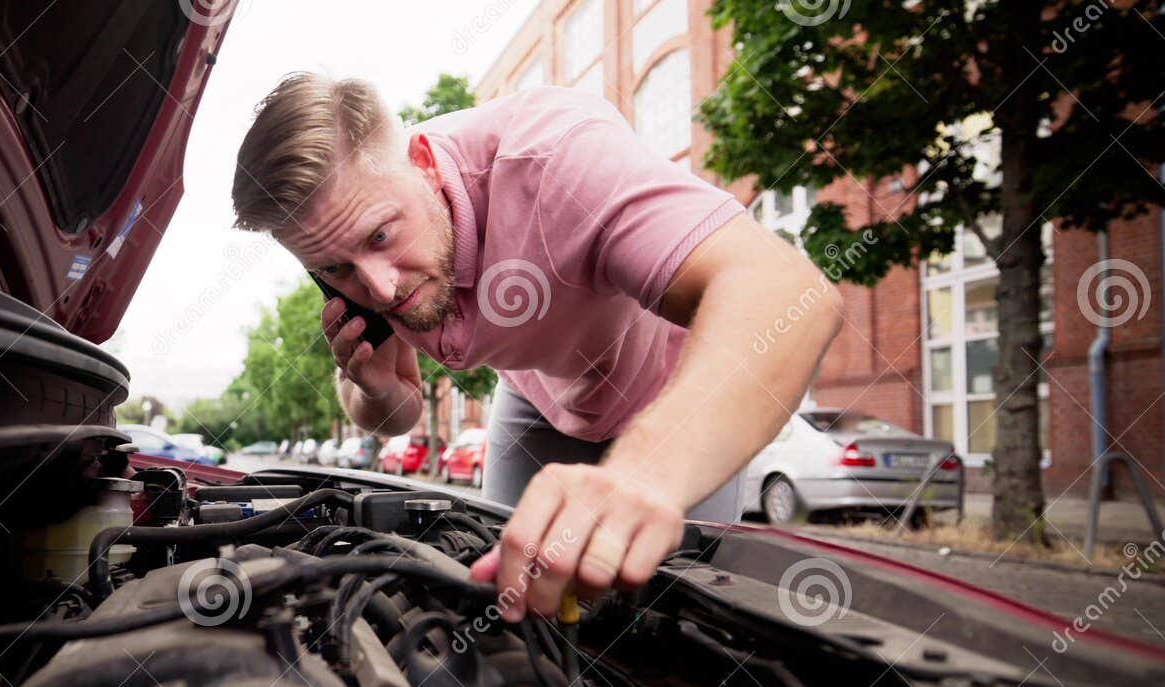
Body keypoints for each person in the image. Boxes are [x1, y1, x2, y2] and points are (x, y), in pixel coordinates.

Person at [231, 74, 841, 622]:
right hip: (536, 397)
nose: (379, 287)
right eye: (336, 268)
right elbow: (398, 415)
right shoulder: (349, 246)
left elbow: (792, 296)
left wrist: (644, 474)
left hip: (671, 392)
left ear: (423, 162)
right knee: (506, 600)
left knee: (679, 613)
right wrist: (376, 388)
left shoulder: (558, 157)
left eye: (383, 236)